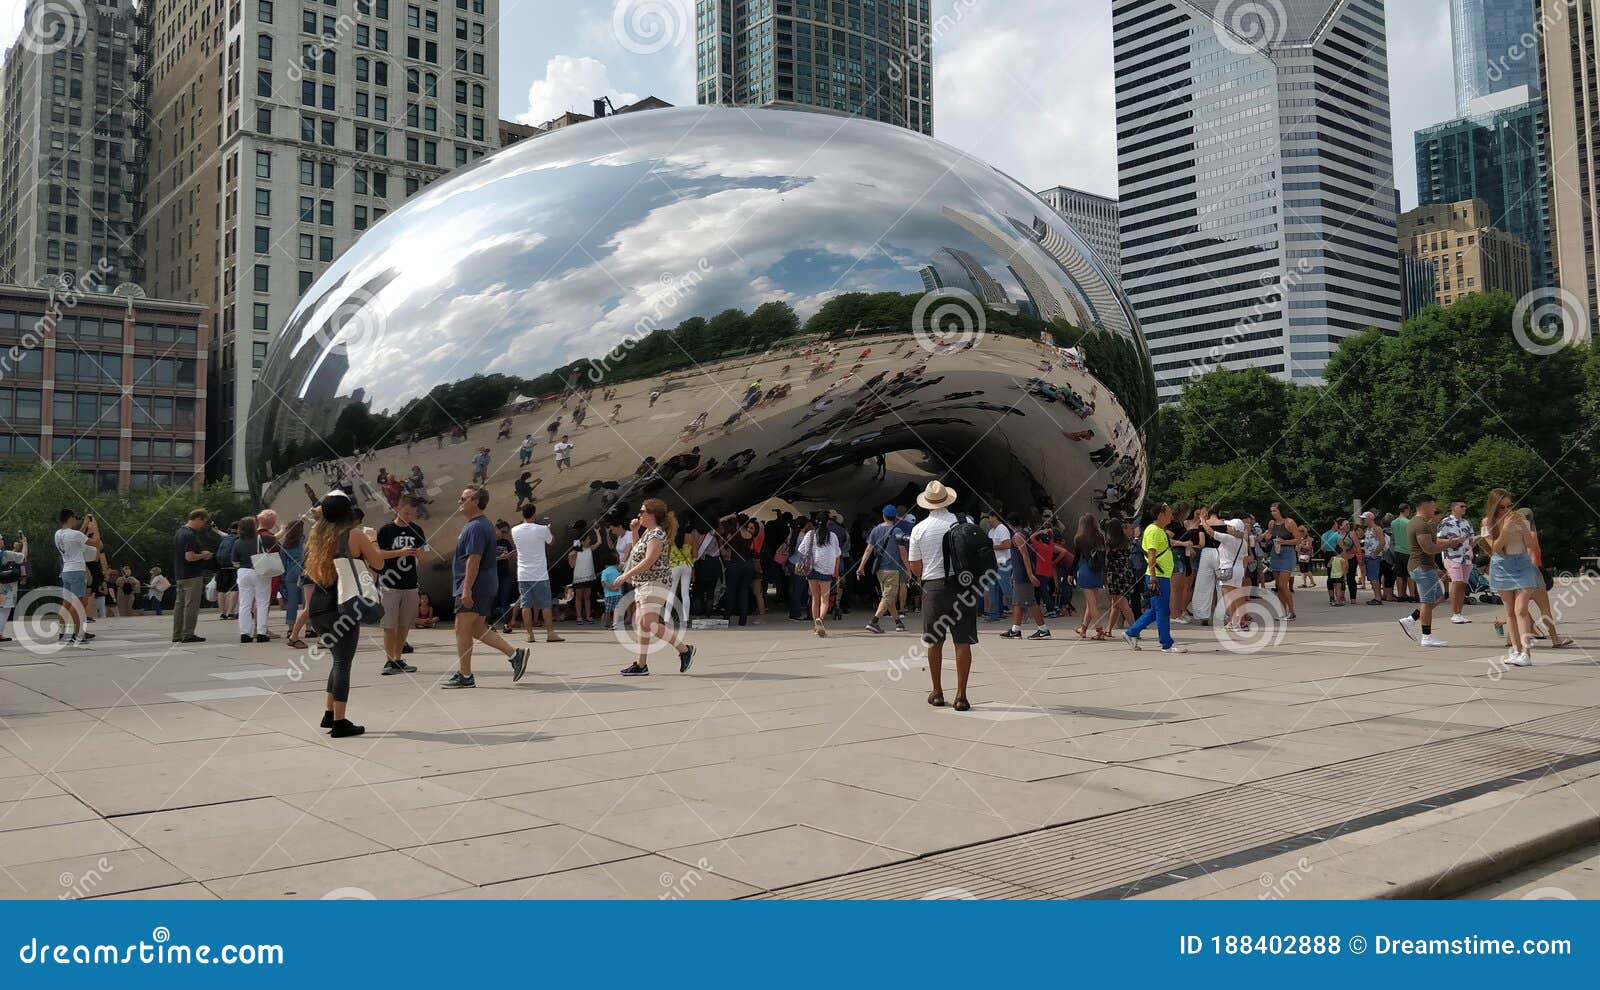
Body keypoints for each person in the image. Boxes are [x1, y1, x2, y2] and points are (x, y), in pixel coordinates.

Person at [303, 490, 388, 738]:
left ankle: (329, 714)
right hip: (342, 604)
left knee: (336, 660)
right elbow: (379, 564)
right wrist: (372, 539)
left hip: (319, 606)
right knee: (342, 663)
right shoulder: (355, 535)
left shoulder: (317, 535)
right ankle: (340, 722)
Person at [442, 487, 530, 689]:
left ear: (475, 501)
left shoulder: (476, 527)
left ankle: (465, 675)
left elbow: (474, 558)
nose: (459, 501)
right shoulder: (478, 525)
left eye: (463, 498)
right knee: (476, 628)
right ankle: (515, 655)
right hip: (484, 585)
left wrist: (466, 589)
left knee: (461, 628)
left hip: (475, 585)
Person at [906, 481, 976, 711]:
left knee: (934, 642)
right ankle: (961, 695)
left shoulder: (919, 529)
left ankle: (937, 692)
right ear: (948, 500)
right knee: (962, 642)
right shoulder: (965, 522)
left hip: (934, 587)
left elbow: (915, 566)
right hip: (963, 587)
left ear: (927, 504)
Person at [612, 498, 696, 676]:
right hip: (644, 583)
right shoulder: (648, 533)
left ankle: (684, 649)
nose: (639, 514)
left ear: (652, 515)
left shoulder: (657, 534)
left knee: (648, 623)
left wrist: (626, 575)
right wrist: (635, 532)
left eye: (642, 512)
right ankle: (641, 664)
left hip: (655, 583)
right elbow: (637, 553)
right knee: (642, 624)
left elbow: (649, 561)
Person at [1481, 490, 1539, 667]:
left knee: (1520, 609)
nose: (1506, 510)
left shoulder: (1521, 519)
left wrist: (1522, 527)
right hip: (1501, 565)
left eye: (1509, 506)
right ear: (1493, 507)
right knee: (1509, 612)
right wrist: (1505, 529)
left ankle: (1526, 654)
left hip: (1522, 564)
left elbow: (1531, 545)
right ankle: (1515, 650)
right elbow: (1496, 548)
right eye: (1501, 507)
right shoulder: (1486, 523)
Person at [1397, 496, 1460, 649]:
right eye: (1433, 506)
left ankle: (1411, 619)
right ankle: (1426, 636)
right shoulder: (1420, 524)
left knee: (1438, 596)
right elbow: (1429, 548)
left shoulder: (1420, 523)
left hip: (1425, 566)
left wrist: (1450, 543)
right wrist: (1450, 545)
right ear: (1424, 507)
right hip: (1421, 567)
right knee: (1427, 601)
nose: (1434, 509)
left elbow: (1433, 544)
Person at [376, 495, 426, 674]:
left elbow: (424, 556)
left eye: (412, 514)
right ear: (398, 508)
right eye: (406, 512)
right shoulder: (386, 530)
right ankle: (389, 660)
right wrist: (399, 552)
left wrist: (420, 554)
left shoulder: (417, 530)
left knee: (404, 624)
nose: (409, 516)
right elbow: (378, 554)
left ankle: (398, 658)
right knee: (389, 625)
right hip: (390, 584)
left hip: (410, 583)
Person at [1124, 504, 1184, 654]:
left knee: (1155, 610)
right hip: (1157, 577)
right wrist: (1153, 576)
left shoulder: (1158, 530)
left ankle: (1131, 632)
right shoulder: (1153, 531)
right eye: (1169, 513)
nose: (1171, 515)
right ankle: (1166, 644)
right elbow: (1151, 554)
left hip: (1159, 576)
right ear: (1161, 514)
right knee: (1162, 611)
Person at [511, 504, 563, 643]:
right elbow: (551, 542)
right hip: (540, 573)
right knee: (545, 604)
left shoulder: (514, 530)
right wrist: (548, 530)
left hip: (523, 573)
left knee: (525, 605)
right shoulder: (542, 529)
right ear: (534, 514)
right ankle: (550, 633)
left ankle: (529, 634)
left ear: (522, 514)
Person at [857, 505, 908, 634]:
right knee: (888, 596)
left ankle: (898, 622)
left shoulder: (875, 530)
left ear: (884, 516)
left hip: (879, 569)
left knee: (887, 596)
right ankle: (874, 622)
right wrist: (908, 568)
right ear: (895, 517)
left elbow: (868, 550)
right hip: (893, 569)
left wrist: (861, 567)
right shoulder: (898, 531)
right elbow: (903, 552)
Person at [53, 509, 99, 645]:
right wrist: (94, 527)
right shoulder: (76, 534)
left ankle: (62, 632)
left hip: (66, 570)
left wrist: (84, 526)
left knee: (66, 603)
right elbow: (96, 544)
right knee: (77, 604)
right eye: (75, 517)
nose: (77, 520)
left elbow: (76, 537)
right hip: (77, 570)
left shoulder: (58, 534)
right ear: (70, 518)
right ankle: (76, 633)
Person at [796, 510, 841, 637]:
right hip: (827, 570)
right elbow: (837, 555)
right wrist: (836, 571)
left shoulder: (810, 534)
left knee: (815, 598)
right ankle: (820, 619)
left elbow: (801, 551)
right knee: (825, 600)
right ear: (828, 522)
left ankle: (816, 627)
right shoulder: (832, 536)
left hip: (812, 569)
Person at [231, 514, 274, 644]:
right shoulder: (262, 539)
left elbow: (234, 561)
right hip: (259, 571)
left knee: (244, 604)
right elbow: (277, 538)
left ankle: (245, 633)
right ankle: (261, 632)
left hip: (243, 572)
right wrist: (283, 528)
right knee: (262, 602)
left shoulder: (237, 542)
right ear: (254, 526)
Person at [169, 509, 210, 643]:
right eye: (204, 521)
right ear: (198, 518)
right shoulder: (190, 535)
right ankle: (188, 634)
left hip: (180, 574)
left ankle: (177, 634)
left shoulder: (179, 532)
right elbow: (190, 556)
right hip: (192, 575)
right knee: (191, 605)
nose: (204, 525)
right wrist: (203, 555)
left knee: (179, 606)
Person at [1436, 500, 1477, 625]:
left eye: (1466, 506)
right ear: (1454, 508)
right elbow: (1437, 540)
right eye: (1462, 506)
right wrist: (1453, 541)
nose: (1465, 508)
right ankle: (1454, 613)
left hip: (1466, 557)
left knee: (1463, 585)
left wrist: (1479, 538)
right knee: (1456, 582)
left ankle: (1460, 613)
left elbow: (1471, 539)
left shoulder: (1467, 522)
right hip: (1452, 556)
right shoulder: (1446, 522)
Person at [1071, 513, 1104, 640]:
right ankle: (1083, 629)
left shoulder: (1079, 538)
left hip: (1085, 570)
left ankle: (1099, 630)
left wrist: (1071, 573)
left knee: (1091, 604)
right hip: (1098, 571)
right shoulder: (1100, 536)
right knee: (1092, 603)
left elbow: (1076, 558)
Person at [1266, 503, 1300, 620]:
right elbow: (1270, 534)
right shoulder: (1272, 523)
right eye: (1271, 511)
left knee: (1283, 584)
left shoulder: (1289, 522)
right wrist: (1267, 537)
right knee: (1278, 585)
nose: (1273, 513)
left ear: (1281, 511)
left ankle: (1292, 612)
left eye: (1275, 511)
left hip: (1287, 553)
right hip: (1275, 552)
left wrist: (1284, 542)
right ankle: (1283, 611)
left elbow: (1298, 539)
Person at [1102, 519, 1136, 632]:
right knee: (1116, 605)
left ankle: (1135, 630)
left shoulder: (1109, 543)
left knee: (1123, 604)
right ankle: (1109, 630)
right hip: (1125, 574)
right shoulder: (1125, 541)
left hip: (1115, 575)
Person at [280, 520, 308, 648]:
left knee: (292, 602)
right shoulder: (304, 540)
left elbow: (282, 561)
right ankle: (309, 628)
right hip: (303, 571)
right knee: (306, 602)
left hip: (290, 574)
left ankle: (291, 628)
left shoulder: (285, 543)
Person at [985, 510, 1013, 621]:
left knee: (1006, 588)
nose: (988, 520)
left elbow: (1007, 545)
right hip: (994, 563)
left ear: (995, 517)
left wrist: (991, 547)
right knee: (993, 589)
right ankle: (993, 615)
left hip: (1004, 563)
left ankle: (1021, 610)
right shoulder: (991, 531)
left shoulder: (1003, 529)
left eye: (989, 518)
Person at [568, 531, 600, 624]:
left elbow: (599, 542)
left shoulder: (590, 549)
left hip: (589, 577)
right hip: (579, 578)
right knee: (578, 597)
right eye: (588, 539)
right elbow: (572, 566)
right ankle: (579, 617)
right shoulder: (575, 552)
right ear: (582, 542)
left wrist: (597, 532)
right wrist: (571, 557)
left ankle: (588, 616)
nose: (589, 541)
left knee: (587, 597)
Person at [0, 534, 27, 642]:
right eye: (1, 539)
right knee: (5, 609)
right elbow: (23, 556)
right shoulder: (5, 554)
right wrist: (25, 543)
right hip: (5, 586)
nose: (2, 541)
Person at [214, 521, 239, 620]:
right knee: (234, 589)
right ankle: (231, 612)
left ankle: (222, 613)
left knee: (221, 590)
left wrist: (216, 530)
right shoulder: (239, 539)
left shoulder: (226, 538)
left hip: (221, 567)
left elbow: (222, 533)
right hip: (234, 567)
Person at [1389, 504, 1414, 602]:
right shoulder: (1409, 522)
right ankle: (1412, 595)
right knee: (1409, 574)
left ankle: (1400, 595)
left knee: (1399, 574)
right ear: (1406, 510)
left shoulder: (1393, 522)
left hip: (1397, 549)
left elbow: (1393, 537)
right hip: (1408, 550)